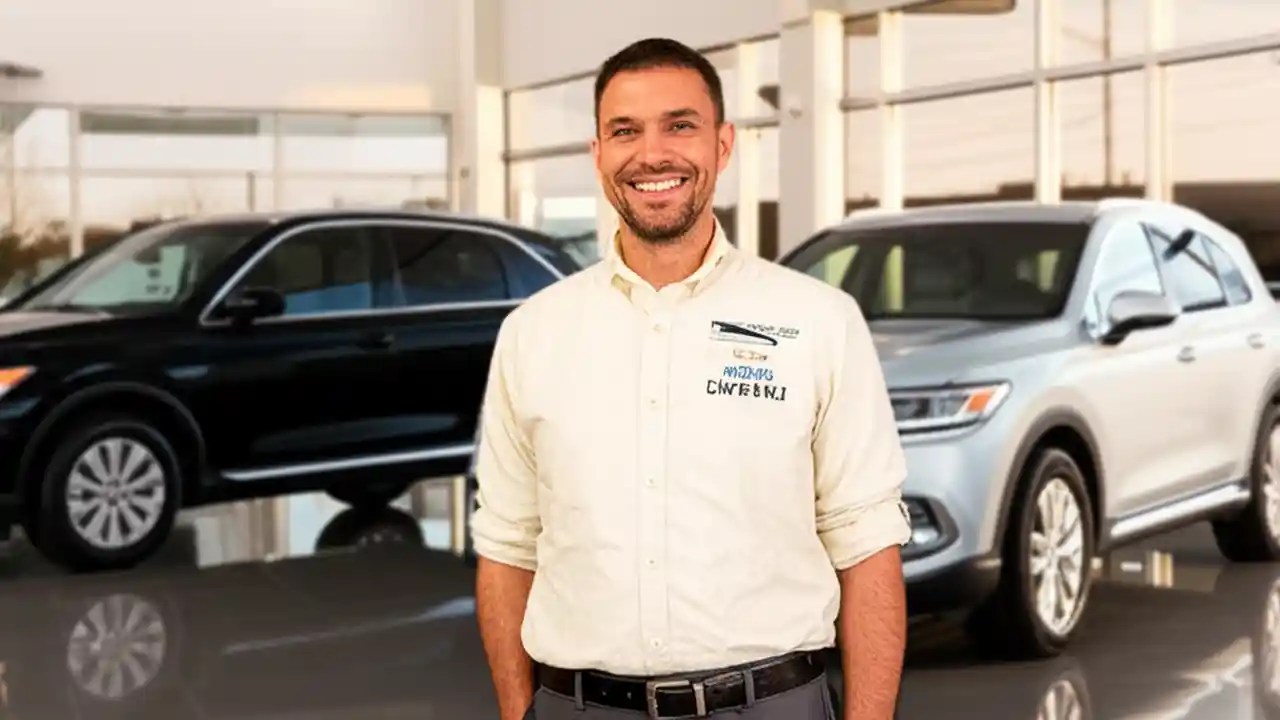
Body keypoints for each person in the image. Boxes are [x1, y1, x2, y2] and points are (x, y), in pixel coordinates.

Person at [472, 36, 912, 720]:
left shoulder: (819, 322)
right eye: (625, 131)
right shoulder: (534, 333)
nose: (652, 154)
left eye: (680, 125)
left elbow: (867, 543)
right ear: (598, 155)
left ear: (723, 145)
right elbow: (506, 546)